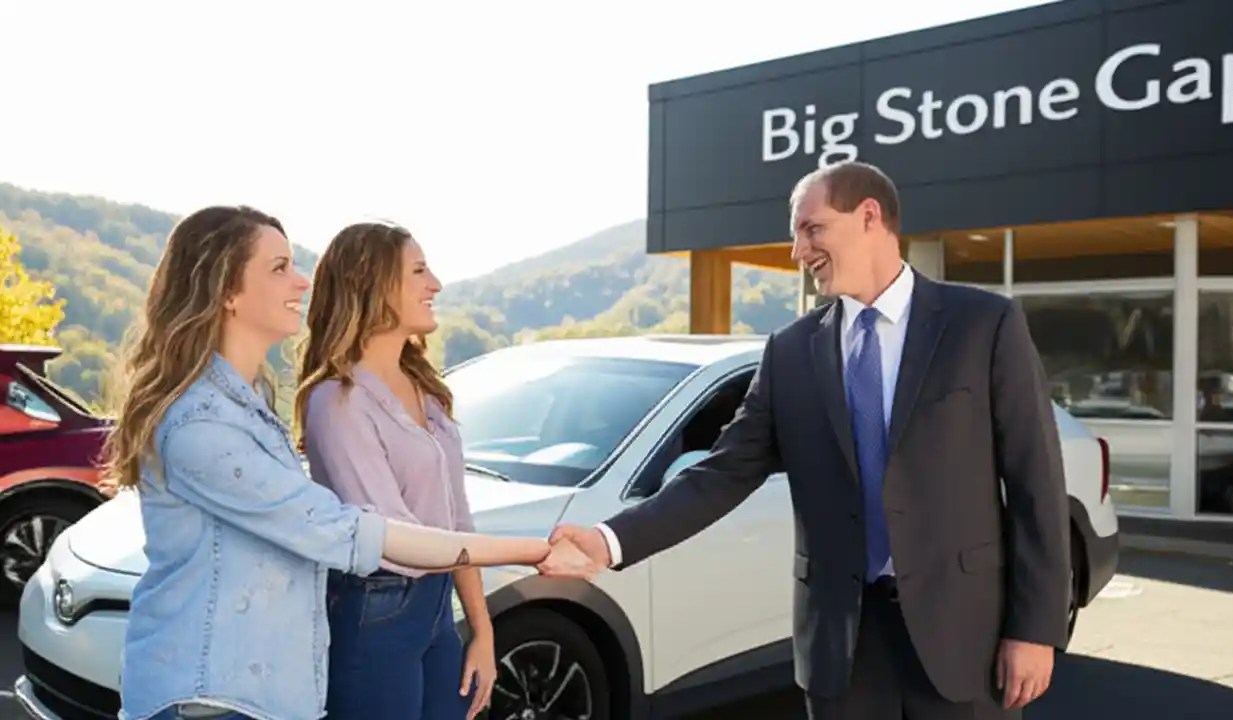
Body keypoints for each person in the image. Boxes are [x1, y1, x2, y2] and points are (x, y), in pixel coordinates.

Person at [540, 160, 1072, 719]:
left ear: (870, 217)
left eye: (812, 229)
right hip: (841, 652)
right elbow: (722, 472)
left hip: (965, 640)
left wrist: (1034, 630)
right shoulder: (791, 351)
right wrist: (609, 540)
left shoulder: (982, 325)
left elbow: (1037, 484)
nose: (798, 251)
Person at [102, 205, 551, 720]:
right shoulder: (203, 424)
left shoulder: (248, 402)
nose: (301, 281)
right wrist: (534, 550)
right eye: (279, 268)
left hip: (272, 690)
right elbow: (350, 532)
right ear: (227, 292)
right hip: (211, 698)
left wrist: (480, 619)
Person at [292, 221, 491, 720]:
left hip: (437, 608)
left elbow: (455, 519)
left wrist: (483, 631)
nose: (436, 285)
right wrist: (533, 552)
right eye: (419, 271)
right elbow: (395, 536)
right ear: (373, 284)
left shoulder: (426, 388)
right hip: (375, 611)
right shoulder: (337, 401)